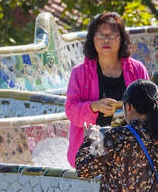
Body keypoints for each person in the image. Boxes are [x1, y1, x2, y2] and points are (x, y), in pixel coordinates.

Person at [64, 12, 149, 166]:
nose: (106, 39)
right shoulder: (80, 73)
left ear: (122, 38)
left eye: (112, 34)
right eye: (101, 35)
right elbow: (71, 111)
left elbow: (150, 108)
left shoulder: (137, 70)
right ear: (92, 39)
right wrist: (94, 106)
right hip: (92, 155)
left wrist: (122, 110)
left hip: (131, 152)